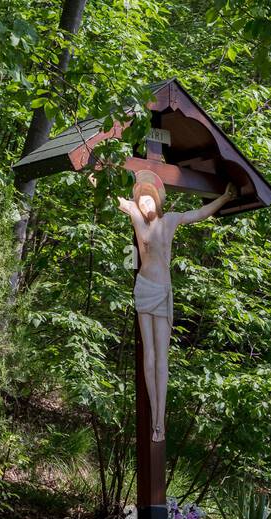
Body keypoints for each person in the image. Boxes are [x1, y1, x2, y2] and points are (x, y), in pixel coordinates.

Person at [95, 168, 235, 442]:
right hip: (144, 289)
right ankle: (152, 414)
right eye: (141, 201)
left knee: (162, 358)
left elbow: (199, 214)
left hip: (163, 290)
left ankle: (160, 420)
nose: (145, 205)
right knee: (149, 355)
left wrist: (224, 199)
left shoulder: (169, 220)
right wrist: (96, 176)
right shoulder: (136, 218)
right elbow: (114, 198)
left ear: (157, 201)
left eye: (149, 200)